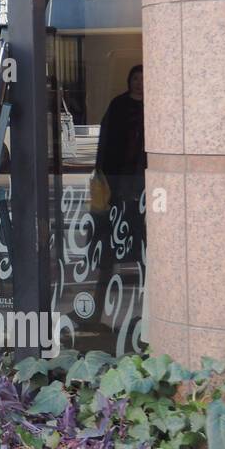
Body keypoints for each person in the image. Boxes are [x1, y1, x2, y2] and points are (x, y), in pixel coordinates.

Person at [91, 65, 146, 309]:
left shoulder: (155, 105)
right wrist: (101, 173)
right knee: (110, 238)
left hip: (144, 184)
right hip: (116, 182)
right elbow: (105, 143)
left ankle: (147, 300)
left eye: (144, 79)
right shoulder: (118, 105)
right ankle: (100, 297)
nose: (139, 83)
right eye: (135, 78)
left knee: (143, 238)